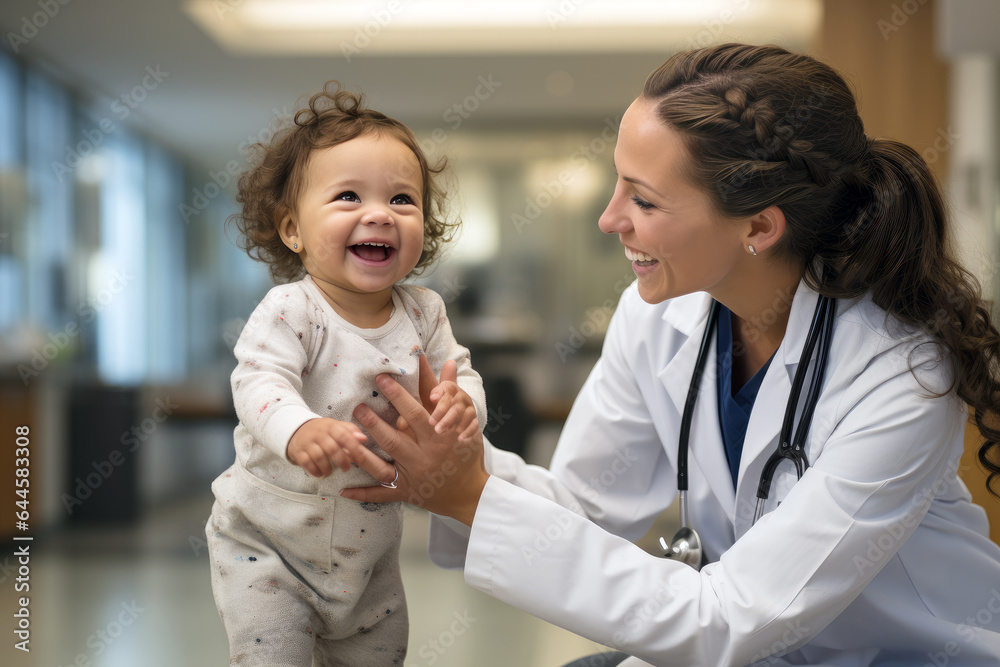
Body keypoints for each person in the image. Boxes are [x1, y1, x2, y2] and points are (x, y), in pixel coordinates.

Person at [338, 44, 1000, 666]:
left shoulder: (899, 376)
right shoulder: (661, 315)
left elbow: (726, 617)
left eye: (643, 199)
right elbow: (585, 510)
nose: (609, 218)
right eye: (617, 184)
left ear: (760, 227)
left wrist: (472, 497)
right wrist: (455, 470)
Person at [204, 82, 486, 667]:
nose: (379, 213)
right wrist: (298, 429)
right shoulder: (292, 309)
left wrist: (464, 408)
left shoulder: (424, 311)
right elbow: (257, 382)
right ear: (292, 230)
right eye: (348, 196)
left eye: (403, 200)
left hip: (369, 551)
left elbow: (459, 377)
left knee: (379, 653)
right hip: (267, 545)